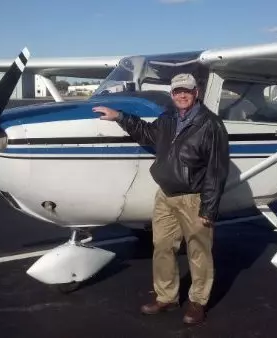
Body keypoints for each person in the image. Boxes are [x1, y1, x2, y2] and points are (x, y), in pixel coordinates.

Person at [92, 73, 229, 325]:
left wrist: (209, 209)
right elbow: (147, 133)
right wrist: (120, 117)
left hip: (194, 198)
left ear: (196, 92)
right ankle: (167, 297)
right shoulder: (167, 119)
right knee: (163, 247)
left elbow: (217, 170)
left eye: (187, 90)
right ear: (172, 94)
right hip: (165, 196)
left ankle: (198, 302)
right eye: (177, 91)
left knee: (199, 253)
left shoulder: (211, 124)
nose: (182, 95)